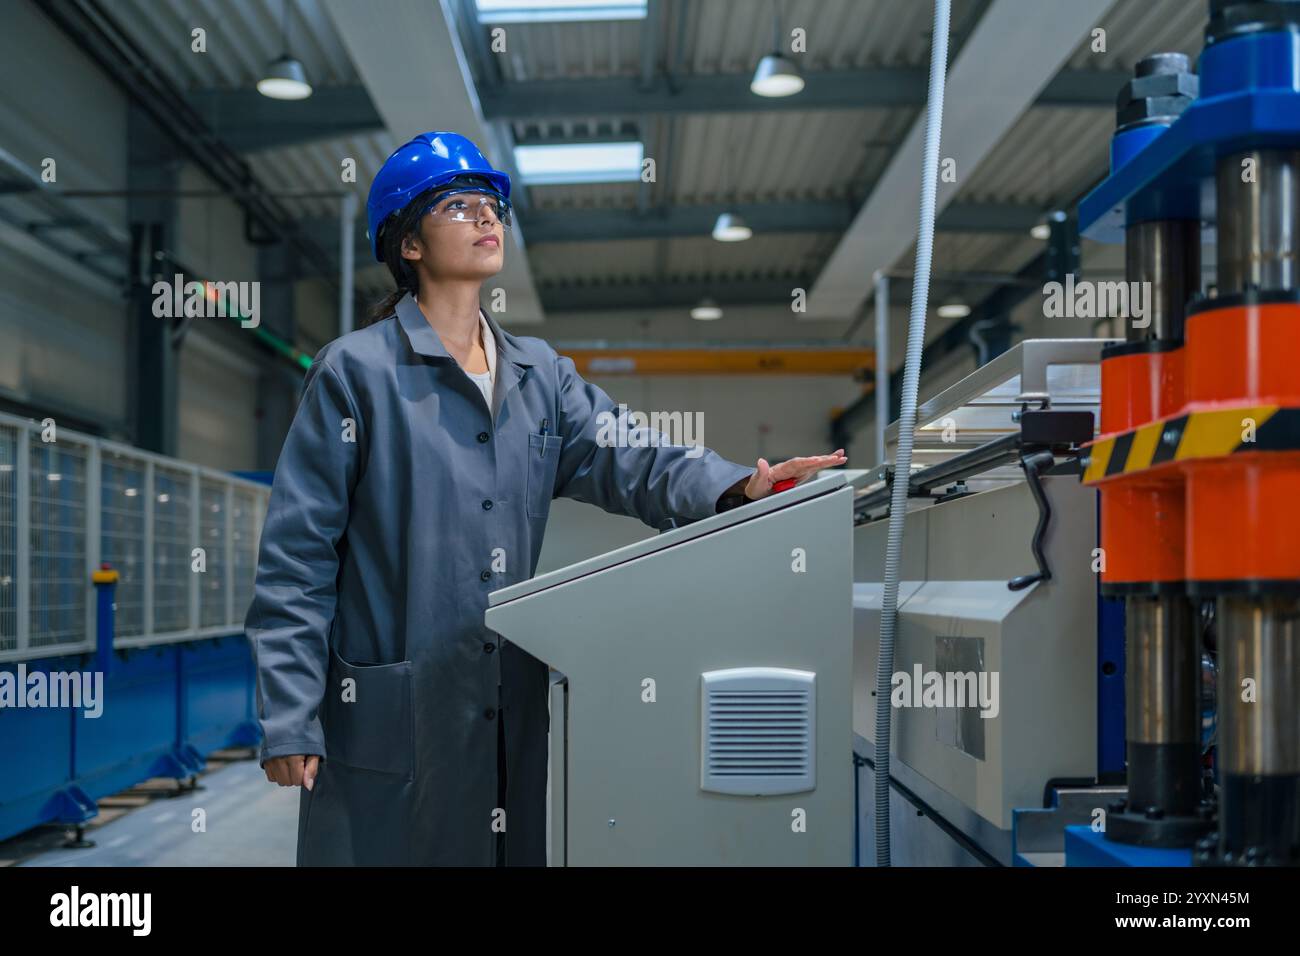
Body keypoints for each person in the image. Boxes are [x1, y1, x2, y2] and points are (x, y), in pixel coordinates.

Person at [246, 131, 847, 866]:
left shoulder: (540, 375)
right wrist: (289, 714)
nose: (486, 217)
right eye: (458, 205)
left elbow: (634, 455)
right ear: (407, 244)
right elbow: (296, 556)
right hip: (393, 709)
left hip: (504, 699)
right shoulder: (356, 374)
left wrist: (738, 484)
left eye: (492, 203)